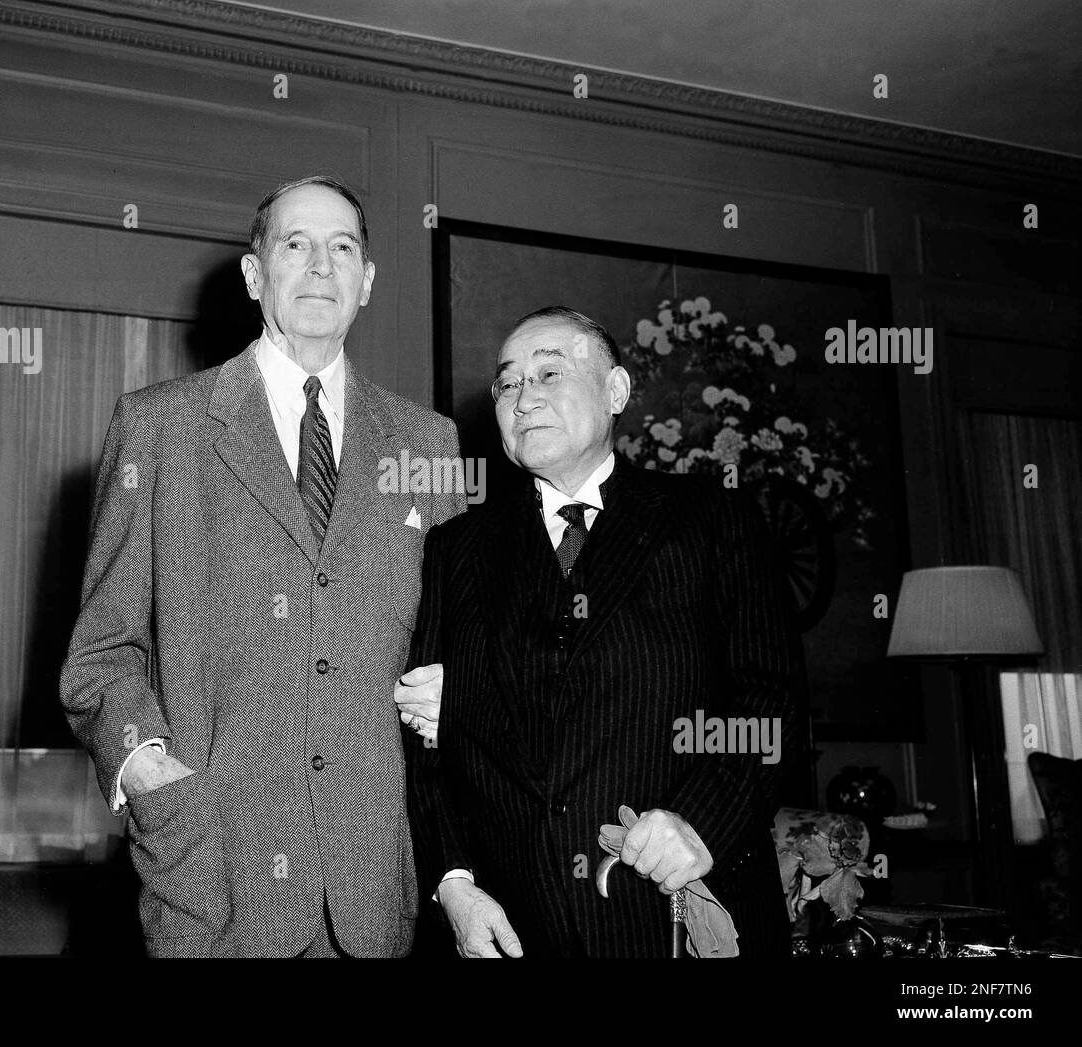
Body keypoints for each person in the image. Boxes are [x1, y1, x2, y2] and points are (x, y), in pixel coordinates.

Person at [61, 175, 464, 957]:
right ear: (254, 275)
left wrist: (464, 684)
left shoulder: (430, 443)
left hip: (378, 886)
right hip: (211, 882)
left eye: (343, 247)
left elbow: (461, 634)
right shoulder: (158, 426)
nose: (321, 266)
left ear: (368, 281)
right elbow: (99, 655)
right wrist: (150, 770)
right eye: (296, 244)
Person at [396, 306, 805, 958]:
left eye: (549, 373)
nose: (524, 398)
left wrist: (701, 823)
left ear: (615, 391)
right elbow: (431, 754)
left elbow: (771, 703)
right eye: (507, 384)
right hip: (516, 930)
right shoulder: (459, 549)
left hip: (676, 915)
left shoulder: (710, 519)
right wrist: (454, 884)